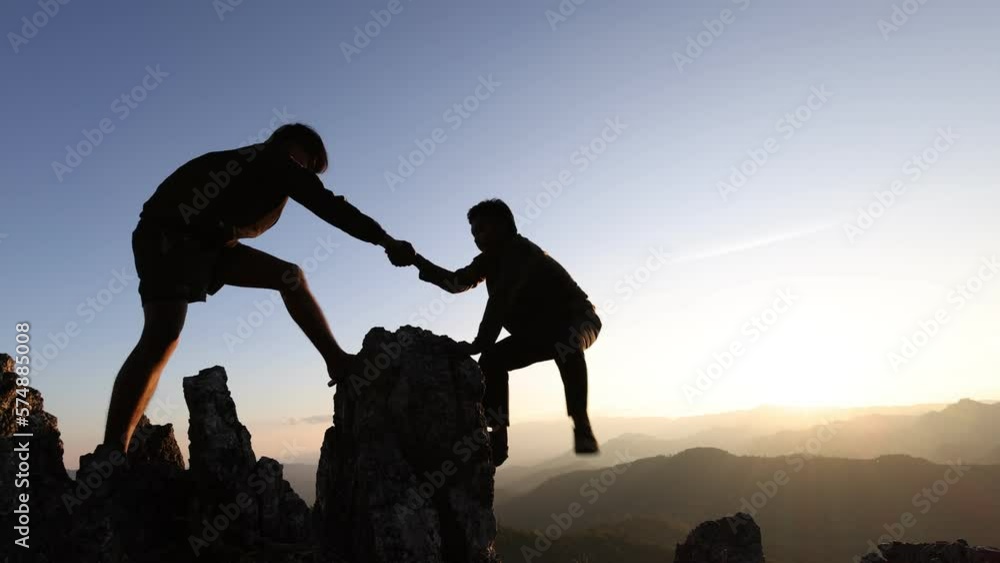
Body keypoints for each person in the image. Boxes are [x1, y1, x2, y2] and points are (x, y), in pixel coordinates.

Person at [102, 123, 415, 457]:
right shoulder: (273, 159)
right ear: (288, 143)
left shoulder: (267, 167)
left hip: (213, 242)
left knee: (289, 276)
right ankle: (112, 450)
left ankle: (336, 361)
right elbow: (332, 207)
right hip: (170, 235)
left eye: (311, 169)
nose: (307, 172)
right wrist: (385, 240)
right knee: (162, 335)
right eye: (308, 162)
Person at [410, 199, 601, 466]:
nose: (477, 238)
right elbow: (456, 283)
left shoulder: (522, 252)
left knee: (565, 340)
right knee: (492, 360)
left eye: (482, 229)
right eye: (474, 233)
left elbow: (499, 300)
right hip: (539, 331)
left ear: (503, 226)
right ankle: (498, 439)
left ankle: (581, 422)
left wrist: (478, 343)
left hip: (579, 320)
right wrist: (416, 262)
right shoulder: (488, 261)